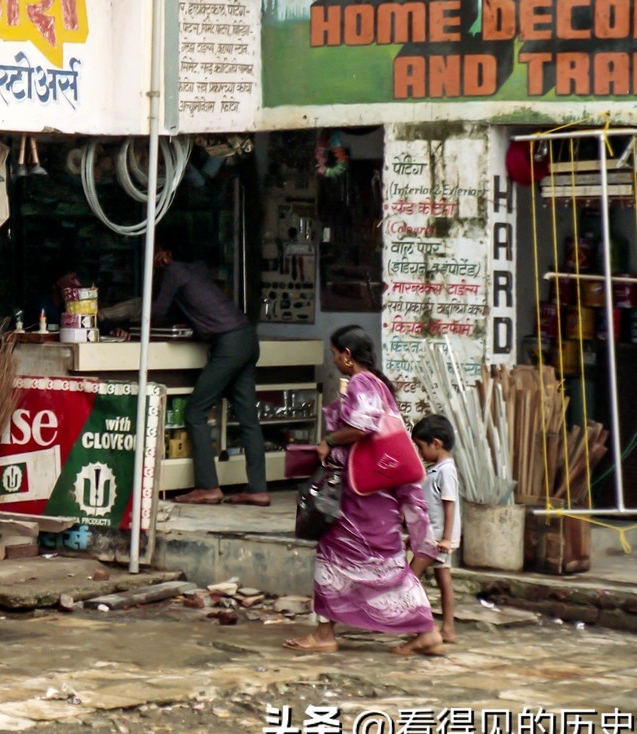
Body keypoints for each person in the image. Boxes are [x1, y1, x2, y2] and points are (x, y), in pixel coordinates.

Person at [285, 326, 443, 657]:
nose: (333, 360)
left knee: (333, 554)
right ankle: (424, 632)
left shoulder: (361, 382)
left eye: (334, 354)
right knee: (383, 563)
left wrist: (328, 440)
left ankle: (325, 634)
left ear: (347, 354)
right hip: (373, 497)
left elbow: (361, 427)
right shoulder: (378, 384)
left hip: (361, 497)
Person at [150, 227, 265, 506]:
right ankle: (258, 489)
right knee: (249, 419)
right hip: (247, 338)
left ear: (165, 254)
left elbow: (157, 313)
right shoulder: (197, 270)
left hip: (227, 344)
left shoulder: (175, 272)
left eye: (153, 254)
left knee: (195, 411)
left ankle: (208, 487)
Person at [411, 414, 460, 644]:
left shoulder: (445, 471)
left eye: (421, 447)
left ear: (436, 443)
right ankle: (447, 628)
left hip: (436, 538)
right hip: (436, 536)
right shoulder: (438, 469)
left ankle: (420, 625)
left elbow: (449, 505)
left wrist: (447, 538)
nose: (420, 453)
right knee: (444, 582)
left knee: (410, 578)